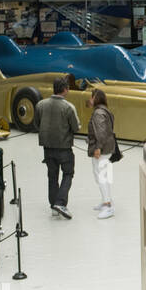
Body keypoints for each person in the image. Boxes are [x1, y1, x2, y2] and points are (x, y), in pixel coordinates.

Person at [33, 75, 80, 219]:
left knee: (52, 176)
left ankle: (53, 205)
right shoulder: (69, 107)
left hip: (47, 148)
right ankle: (60, 202)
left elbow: (36, 124)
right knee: (68, 173)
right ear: (65, 89)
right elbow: (76, 128)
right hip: (64, 148)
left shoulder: (40, 105)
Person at [87, 89, 117, 220]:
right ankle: (106, 200)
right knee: (106, 176)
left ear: (96, 98)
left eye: (92, 97)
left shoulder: (98, 113)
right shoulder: (105, 111)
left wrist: (98, 147)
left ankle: (108, 205)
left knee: (100, 176)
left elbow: (101, 133)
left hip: (102, 149)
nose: (90, 100)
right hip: (109, 148)